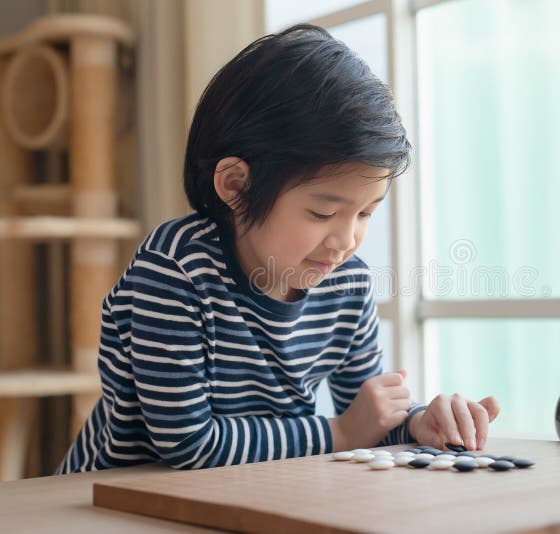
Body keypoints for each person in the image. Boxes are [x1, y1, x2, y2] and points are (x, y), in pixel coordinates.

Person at [56, 24, 499, 474]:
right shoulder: (175, 272)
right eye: (323, 214)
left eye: (365, 213)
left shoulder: (347, 284)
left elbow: (369, 417)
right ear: (236, 186)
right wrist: (340, 433)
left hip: (248, 493)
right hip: (115, 498)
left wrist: (420, 423)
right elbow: (189, 445)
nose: (346, 241)